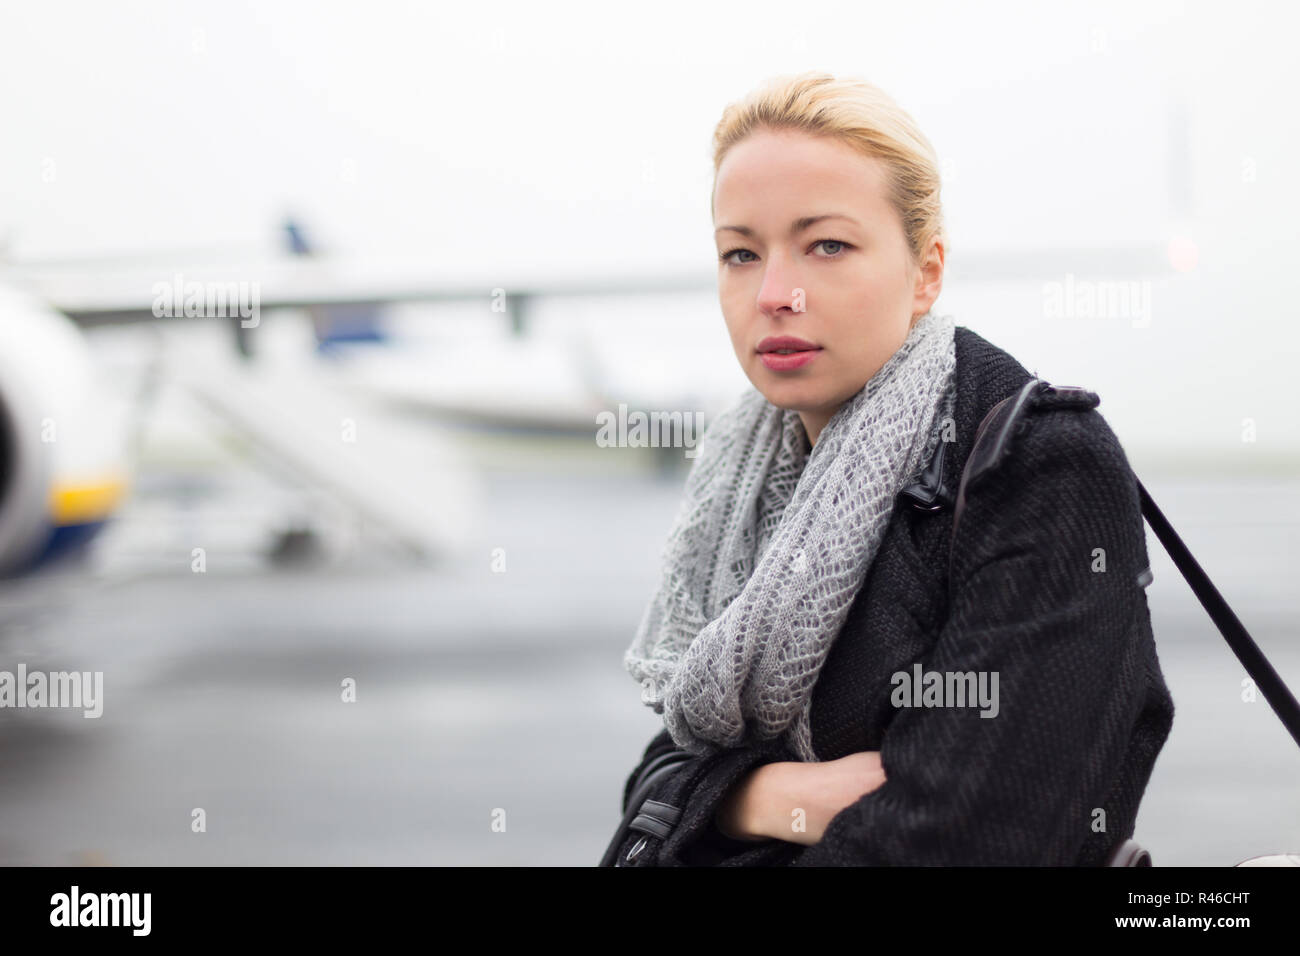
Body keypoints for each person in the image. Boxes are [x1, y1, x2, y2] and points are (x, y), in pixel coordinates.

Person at [612, 71, 1175, 866]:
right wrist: (766, 798)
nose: (776, 294)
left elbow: (967, 840)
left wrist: (716, 807)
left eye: (827, 245)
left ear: (927, 272)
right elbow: (649, 786)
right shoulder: (745, 483)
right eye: (740, 253)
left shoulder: (1037, 466)